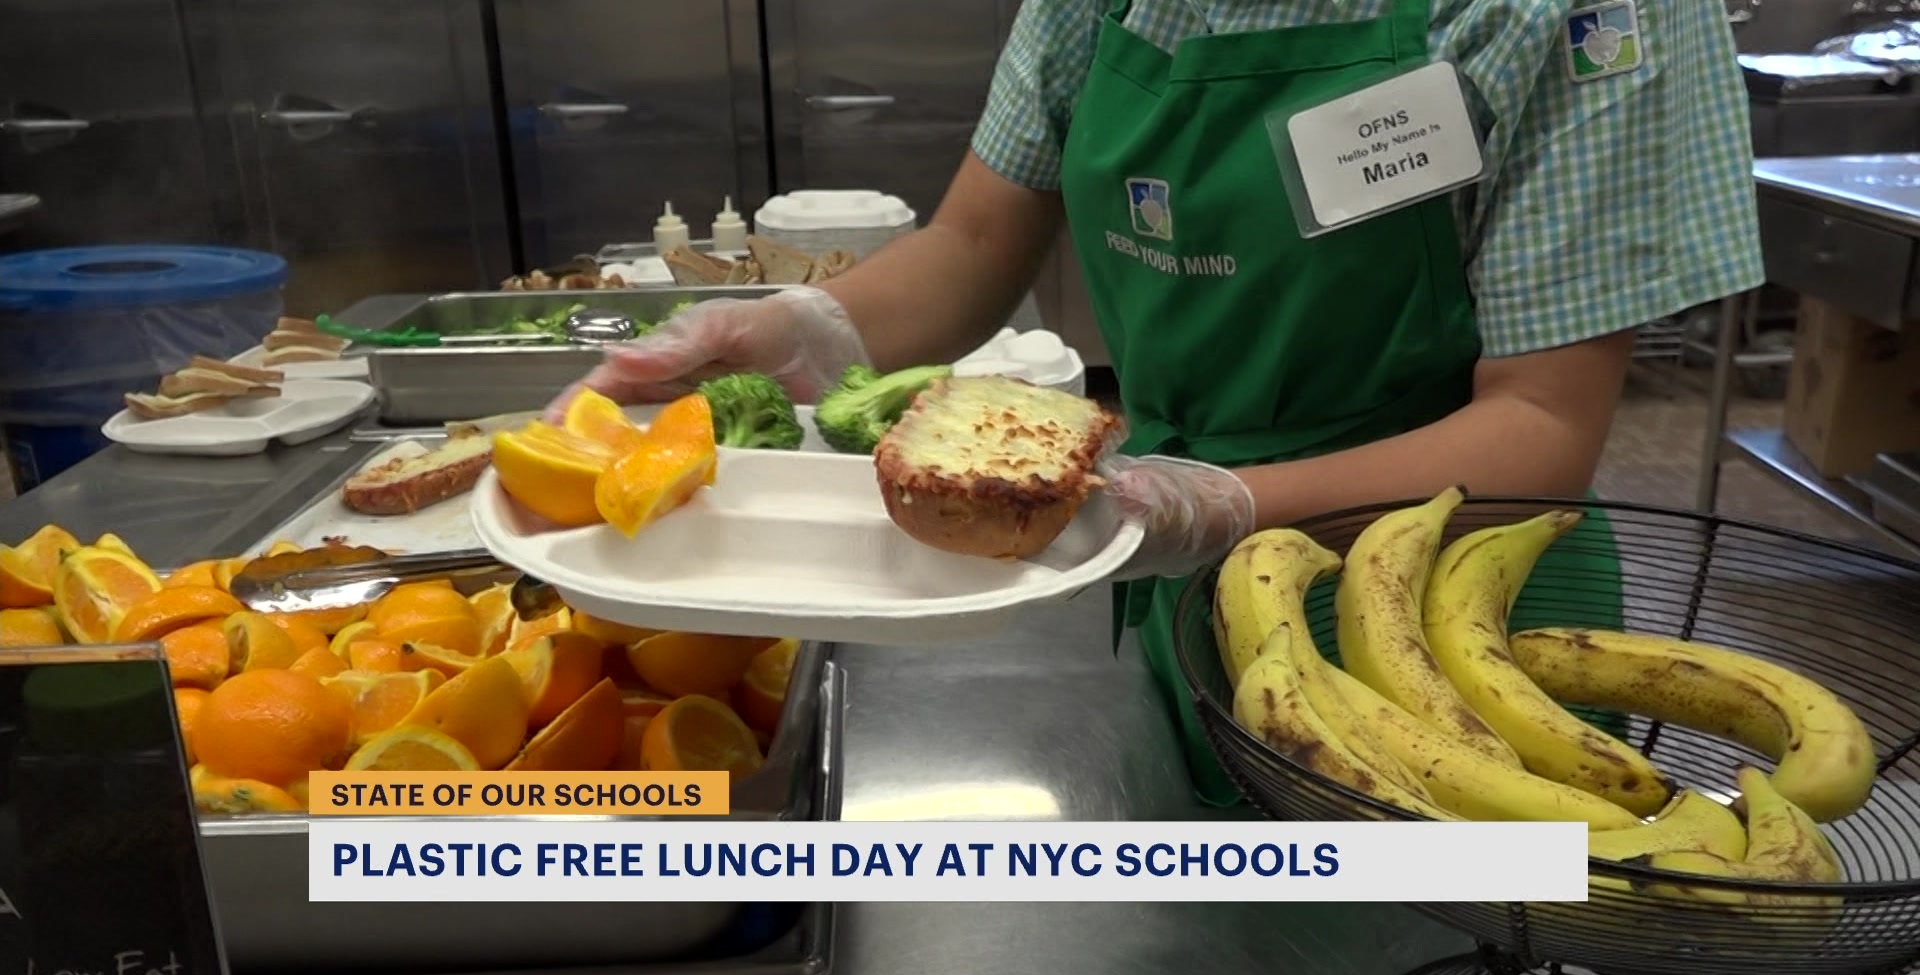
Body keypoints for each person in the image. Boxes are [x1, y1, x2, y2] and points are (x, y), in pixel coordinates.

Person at [548, 0, 1765, 807]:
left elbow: (1543, 423)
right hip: (1185, 576)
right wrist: (808, 326)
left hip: (1444, 602)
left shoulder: (1574, 12)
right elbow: (974, 242)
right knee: (1223, 974)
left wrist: (1225, 503)